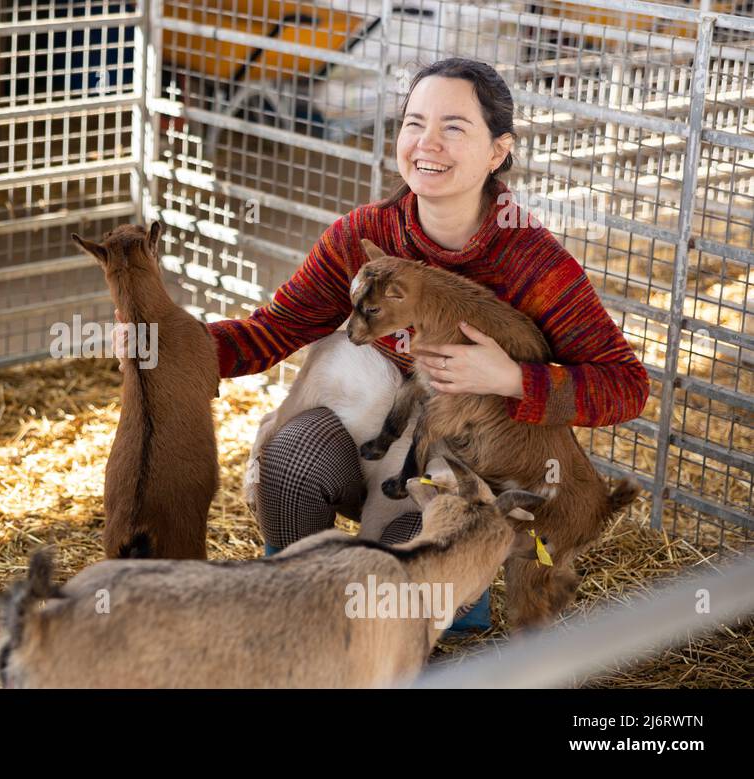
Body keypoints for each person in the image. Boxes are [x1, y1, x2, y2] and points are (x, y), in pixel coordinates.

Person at [115, 58, 649, 632]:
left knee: (399, 577)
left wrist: (514, 379)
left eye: (454, 127)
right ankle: (299, 619)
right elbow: (273, 330)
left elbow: (626, 387)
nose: (427, 143)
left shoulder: (532, 262)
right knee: (292, 460)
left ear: (498, 151)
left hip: (458, 464)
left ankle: (443, 607)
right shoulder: (362, 238)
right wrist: (163, 345)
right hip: (373, 428)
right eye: (414, 123)